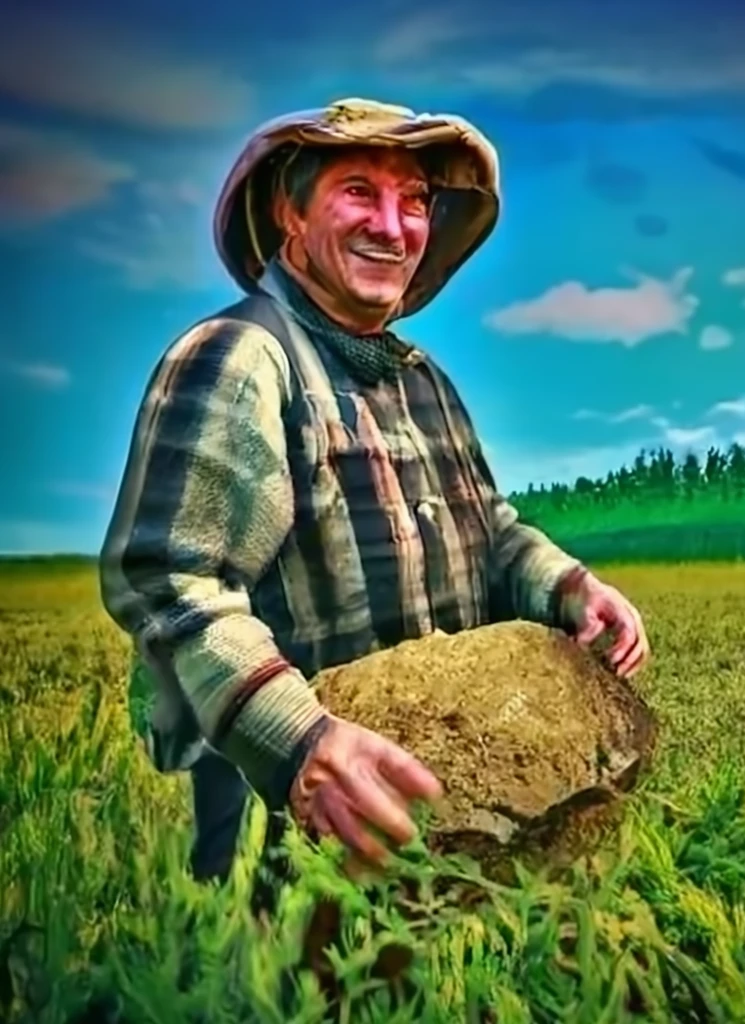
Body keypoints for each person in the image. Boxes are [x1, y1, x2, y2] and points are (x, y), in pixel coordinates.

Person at [99, 98, 650, 888]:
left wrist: (570, 586)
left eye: (415, 200)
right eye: (359, 190)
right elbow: (171, 582)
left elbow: (486, 532)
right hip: (293, 828)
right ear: (289, 214)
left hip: (434, 821)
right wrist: (299, 741)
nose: (394, 227)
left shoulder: (424, 380)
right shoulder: (241, 358)